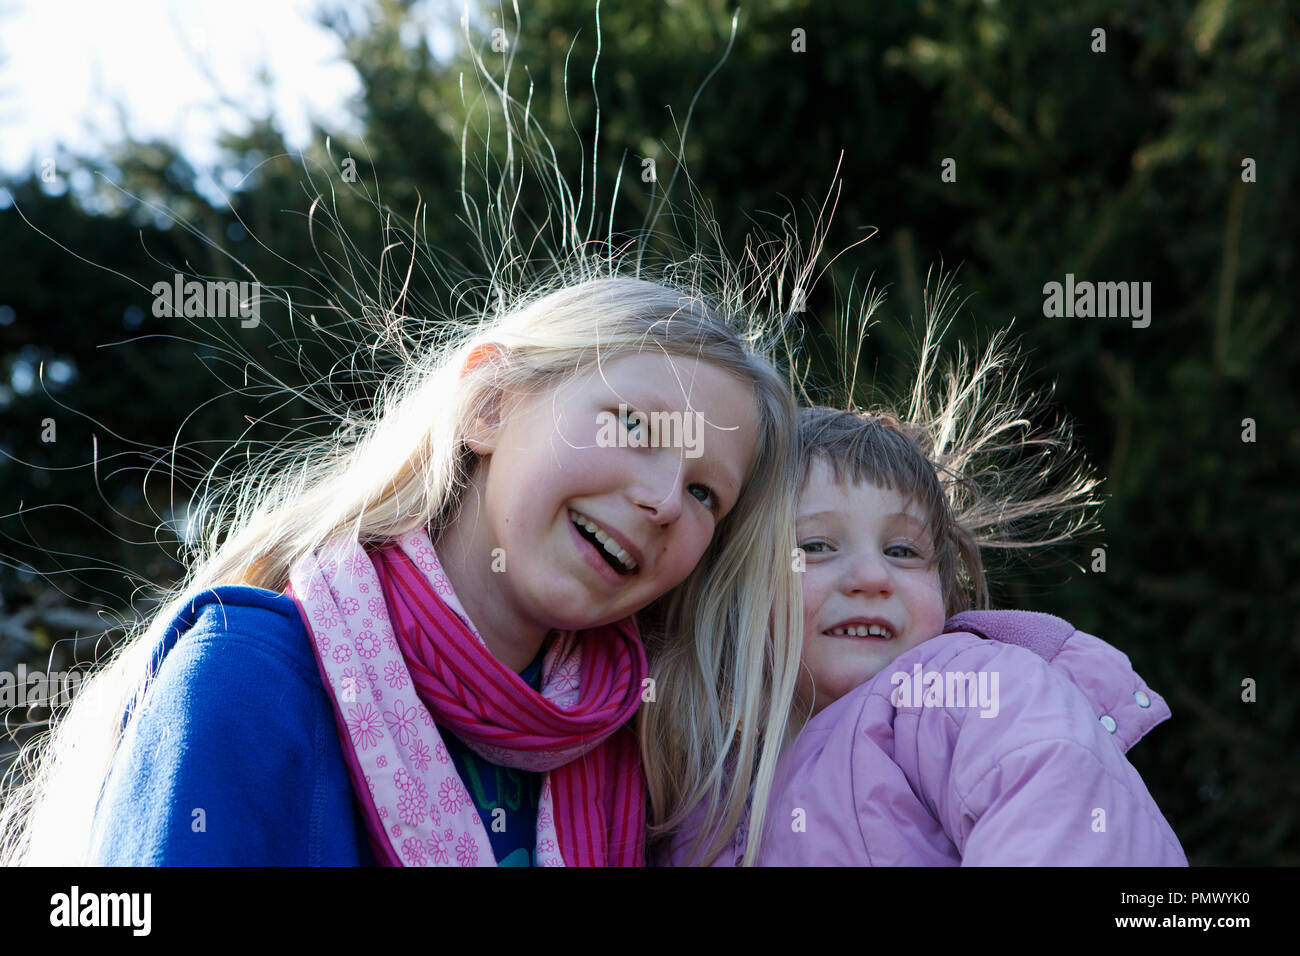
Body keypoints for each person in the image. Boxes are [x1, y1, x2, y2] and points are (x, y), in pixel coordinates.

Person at [0, 275, 803, 866]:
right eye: (635, 425)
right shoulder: (250, 670)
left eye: (707, 492)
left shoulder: (654, 752)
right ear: (491, 404)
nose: (665, 499)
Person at [656, 327, 1188, 865]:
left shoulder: (966, 692)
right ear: (732, 586)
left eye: (904, 552)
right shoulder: (698, 793)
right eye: (816, 546)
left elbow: (1051, 796)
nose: (872, 576)